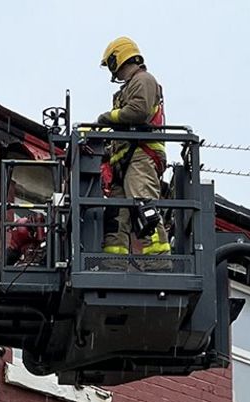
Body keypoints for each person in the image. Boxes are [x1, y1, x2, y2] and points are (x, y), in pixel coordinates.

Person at [96, 36, 170, 265]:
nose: (112, 72)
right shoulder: (126, 88)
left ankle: (158, 260)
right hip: (123, 163)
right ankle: (112, 265)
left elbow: (138, 111)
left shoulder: (143, 80)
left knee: (143, 206)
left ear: (118, 58)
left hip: (141, 155)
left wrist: (106, 118)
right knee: (116, 217)